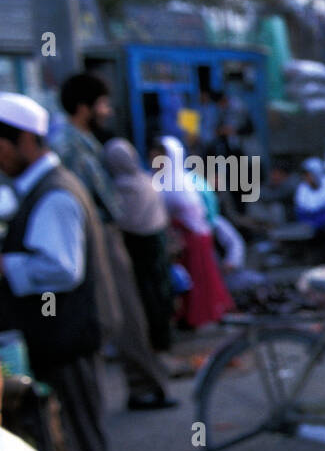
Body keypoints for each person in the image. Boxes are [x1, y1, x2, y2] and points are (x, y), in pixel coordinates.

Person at [0, 93, 135, 451]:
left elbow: (61, 269)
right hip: (59, 336)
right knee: (74, 434)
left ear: (24, 141)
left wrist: (7, 266)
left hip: (69, 334)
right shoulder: (40, 188)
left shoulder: (55, 193)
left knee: (84, 432)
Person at [54, 73, 175, 411]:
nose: (107, 111)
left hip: (107, 237)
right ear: (83, 108)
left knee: (125, 314)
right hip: (97, 240)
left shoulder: (86, 145)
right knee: (116, 316)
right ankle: (137, 389)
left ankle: (144, 385)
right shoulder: (73, 149)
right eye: (102, 104)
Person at [151, 136, 235, 330]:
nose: (155, 161)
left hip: (193, 239)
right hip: (182, 240)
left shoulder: (181, 182)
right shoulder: (164, 180)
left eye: (160, 157)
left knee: (197, 281)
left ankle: (199, 317)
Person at [104, 139, 172, 353]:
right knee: (158, 291)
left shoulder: (117, 190)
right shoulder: (146, 181)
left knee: (145, 294)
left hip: (137, 247)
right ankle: (162, 338)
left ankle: (154, 340)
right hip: (156, 243)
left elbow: (122, 220)